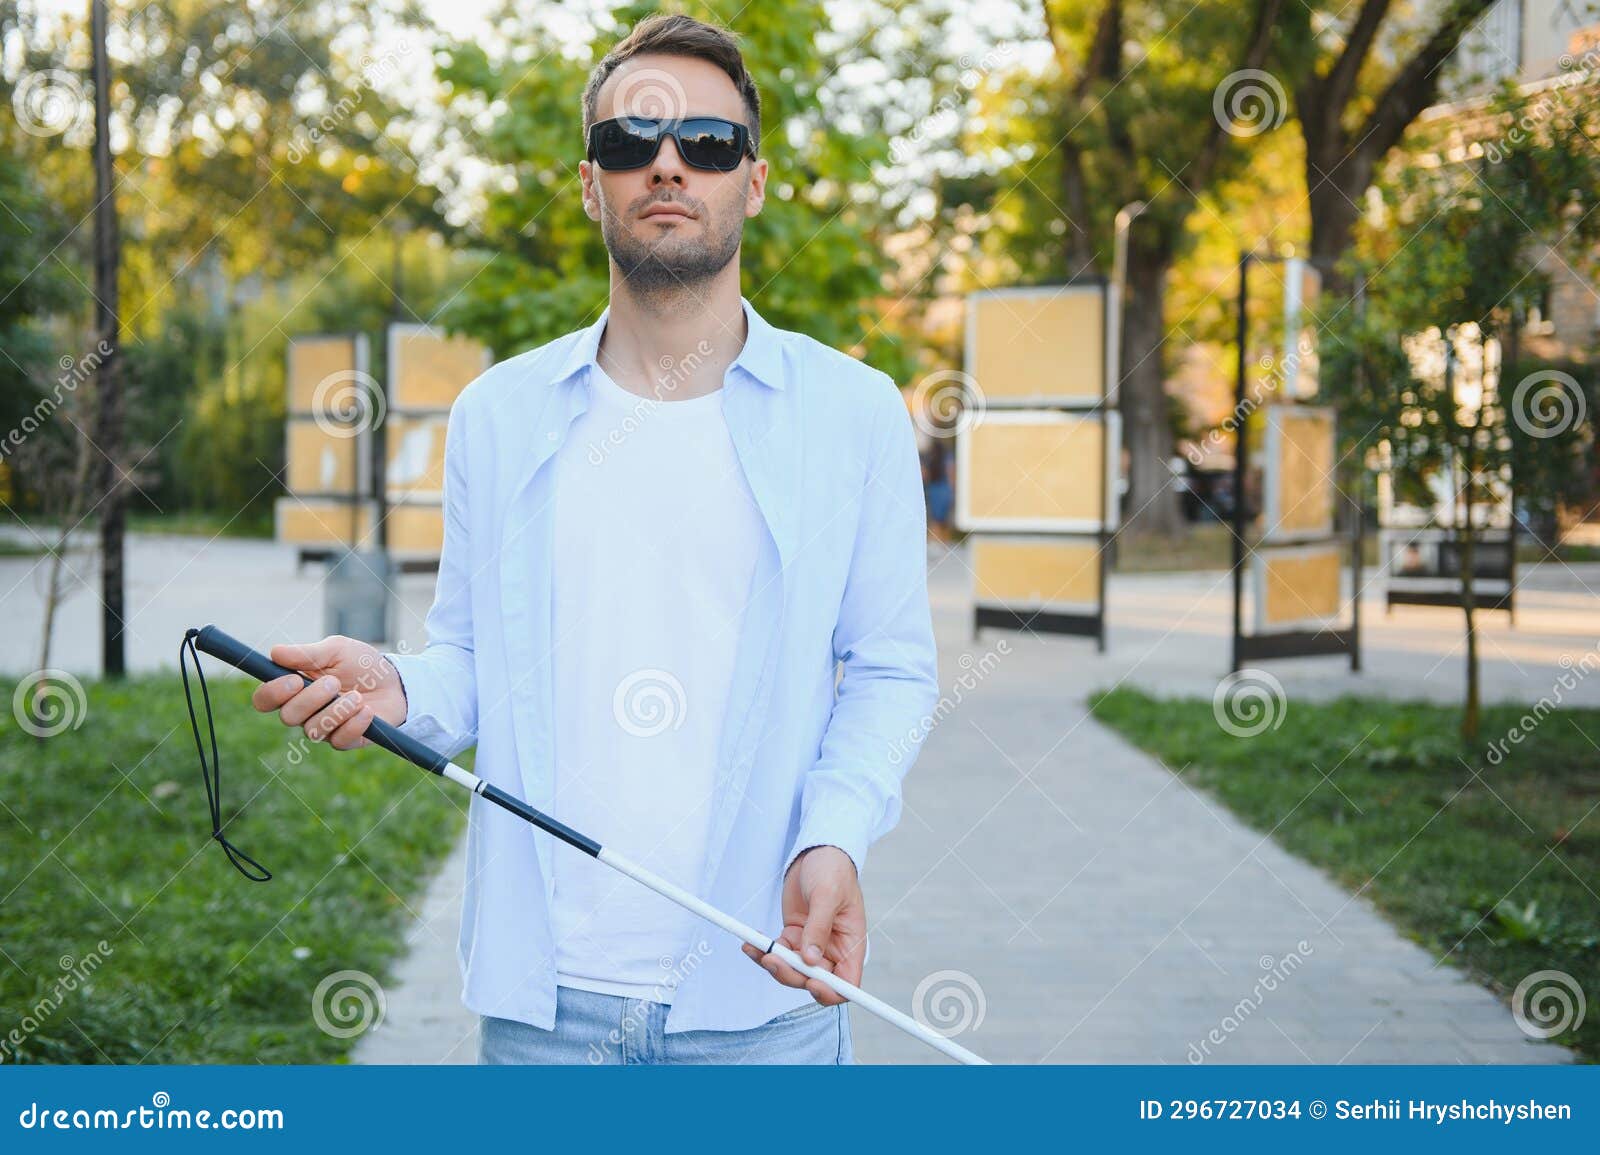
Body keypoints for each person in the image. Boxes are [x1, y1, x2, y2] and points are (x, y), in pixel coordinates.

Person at [250, 13, 938, 1066]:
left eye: (706, 144)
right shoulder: (500, 412)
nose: (668, 166)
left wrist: (832, 836)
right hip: (546, 1009)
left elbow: (891, 668)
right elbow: (474, 661)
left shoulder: (851, 412)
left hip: (767, 996)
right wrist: (399, 687)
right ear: (590, 182)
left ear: (751, 182)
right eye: (631, 144)